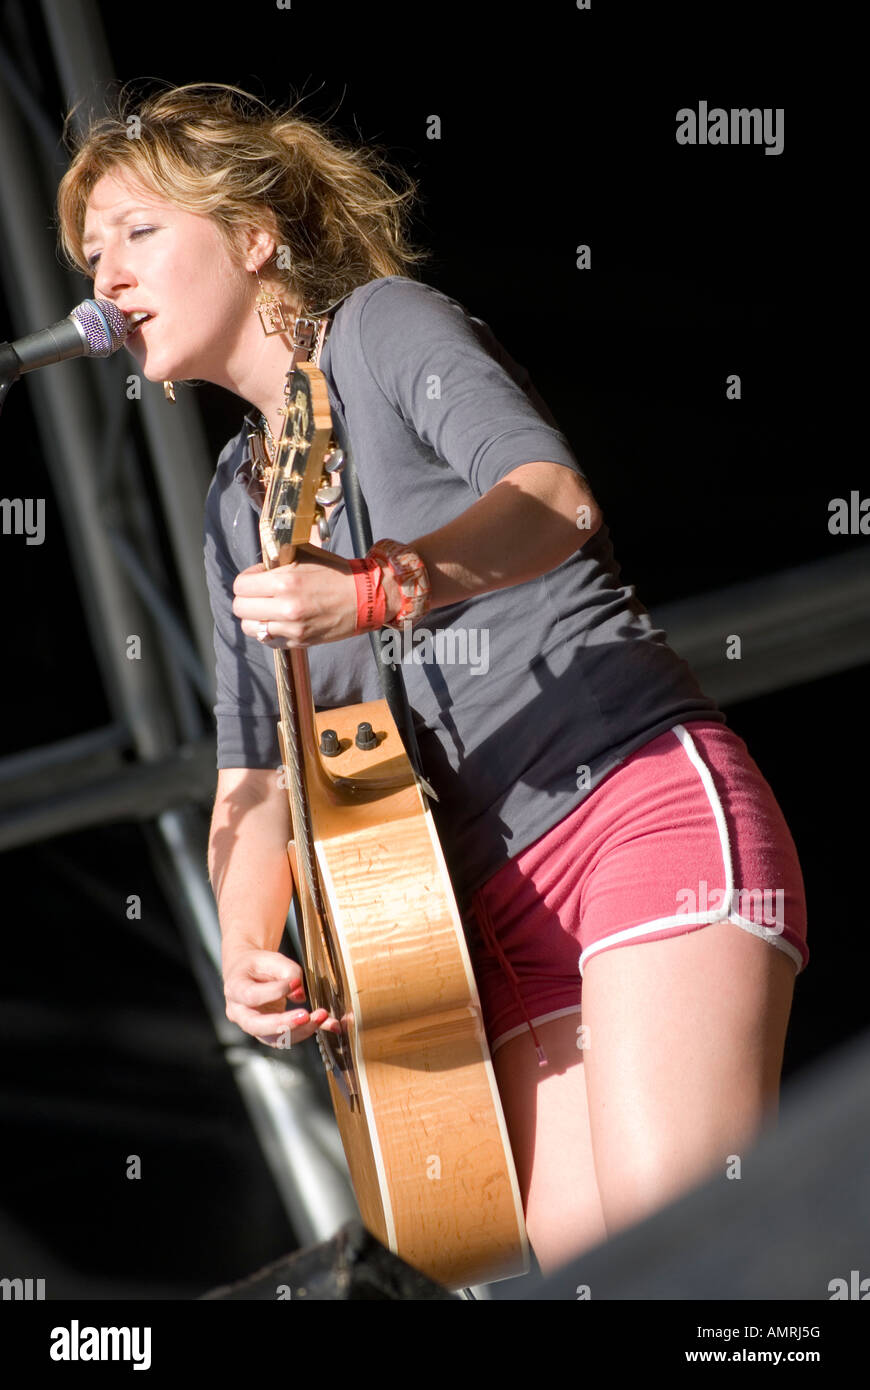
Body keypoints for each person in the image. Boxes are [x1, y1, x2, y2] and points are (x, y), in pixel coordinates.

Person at [58, 81, 809, 1280]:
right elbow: (252, 779)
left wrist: (380, 584)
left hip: (623, 810)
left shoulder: (383, 327)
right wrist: (247, 939)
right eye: (89, 255)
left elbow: (554, 499)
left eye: (139, 234)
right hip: (467, 931)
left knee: (694, 1269)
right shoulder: (233, 504)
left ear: (257, 236)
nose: (105, 279)